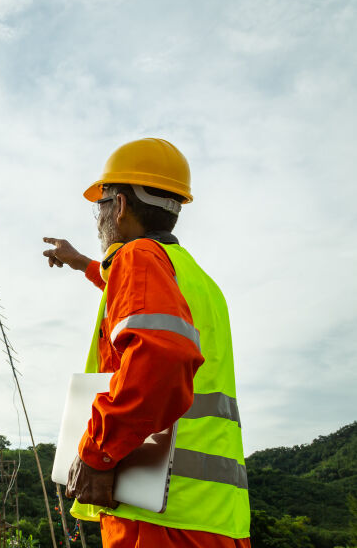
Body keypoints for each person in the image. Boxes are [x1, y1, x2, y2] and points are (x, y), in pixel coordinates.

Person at [42, 139, 250, 547]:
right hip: (216, 518)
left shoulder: (138, 259)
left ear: (119, 206)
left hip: (156, 517)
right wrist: (83, 262)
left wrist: (97, 451)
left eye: (99, 206)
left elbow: (161, 357)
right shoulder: (199, 282)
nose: (98, 217)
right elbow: (131, 295)